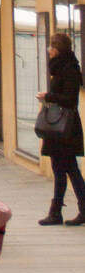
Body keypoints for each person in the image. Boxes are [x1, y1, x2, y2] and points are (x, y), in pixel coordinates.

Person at [36, 32, 85, 226]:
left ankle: (59, 212)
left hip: (64, 127)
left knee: (68, 168)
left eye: (51, 47)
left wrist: (49, 96)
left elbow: (70, 99)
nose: (49, 50)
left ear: (57, 49)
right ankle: (57, 212)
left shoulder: (69, 69)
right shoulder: (62, 67)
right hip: (59, 125)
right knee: (63, 168)